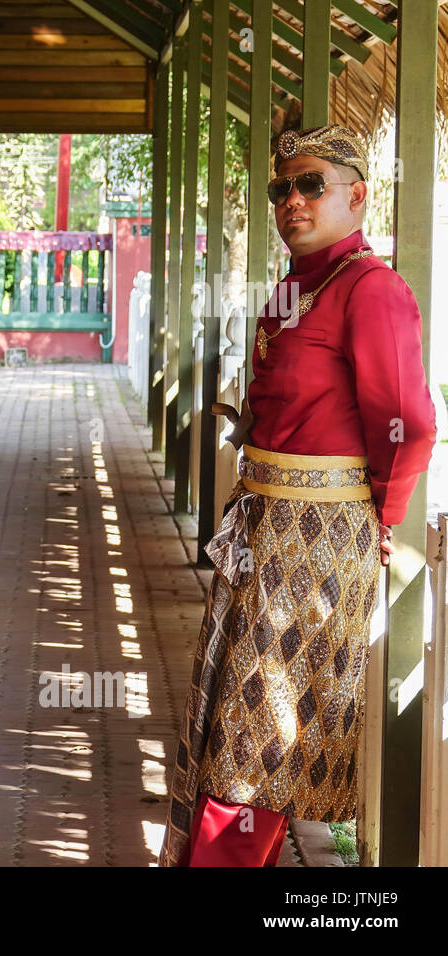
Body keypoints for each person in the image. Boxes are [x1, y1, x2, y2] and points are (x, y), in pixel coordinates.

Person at [159, 125, 436, 866]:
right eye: (281, 187)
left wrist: (386, 517)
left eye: (312, 184)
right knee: (224, 708)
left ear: (357, 195)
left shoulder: (373, 291)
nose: (292, 200)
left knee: (261, 728)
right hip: (261, 521)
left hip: (322, 534)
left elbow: (407, 425)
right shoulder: (291, 288)